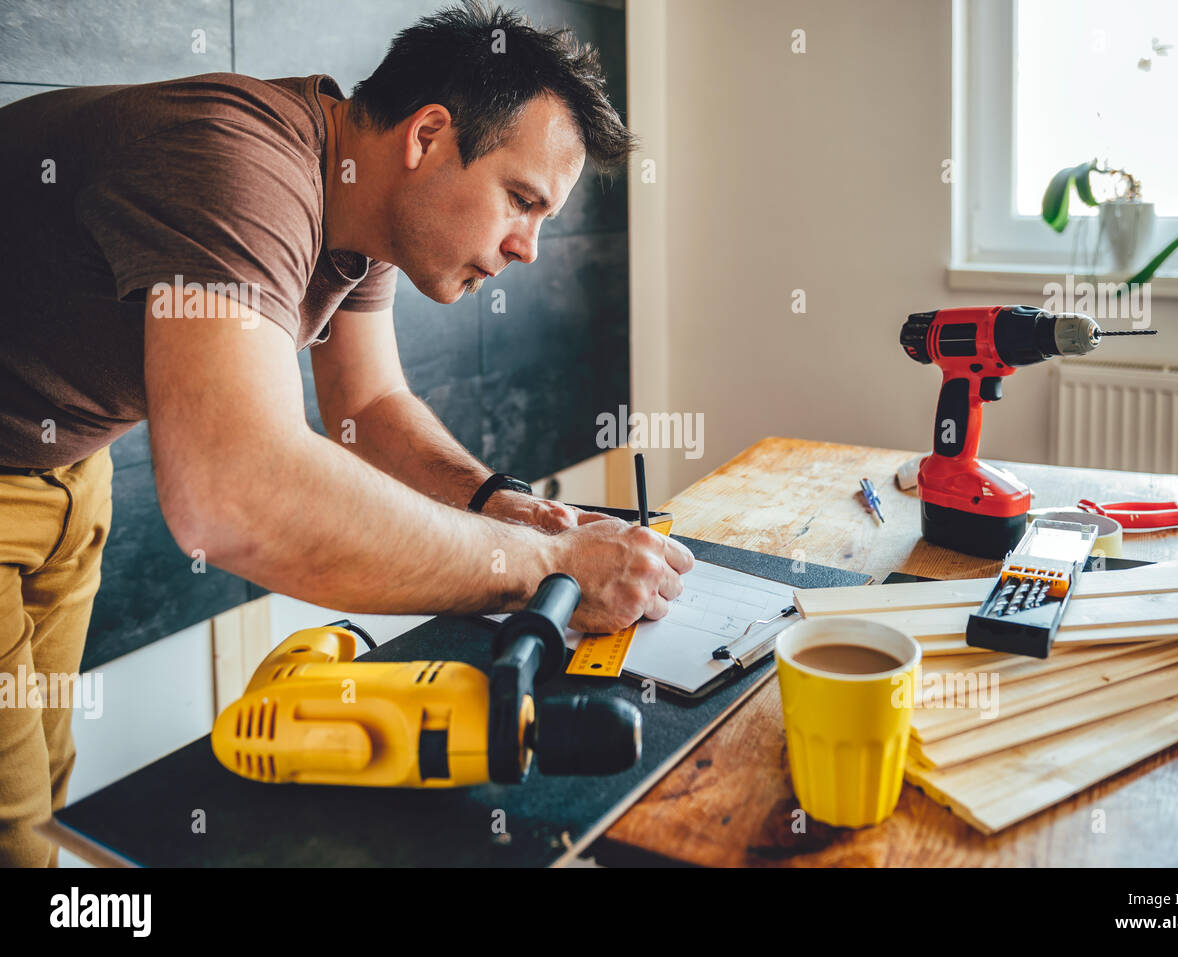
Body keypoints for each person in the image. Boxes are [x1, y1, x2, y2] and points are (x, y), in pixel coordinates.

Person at [0, 1, 693, 867]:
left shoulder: (355, 203)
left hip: (67, 462)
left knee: (47, 791)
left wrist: (513, 513)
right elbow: (230, 492)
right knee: (16, 835)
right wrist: (543, 570)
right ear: (428, 136)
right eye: (522, 201)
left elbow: (369, 405)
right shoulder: (237, 167)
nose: (530, 249)